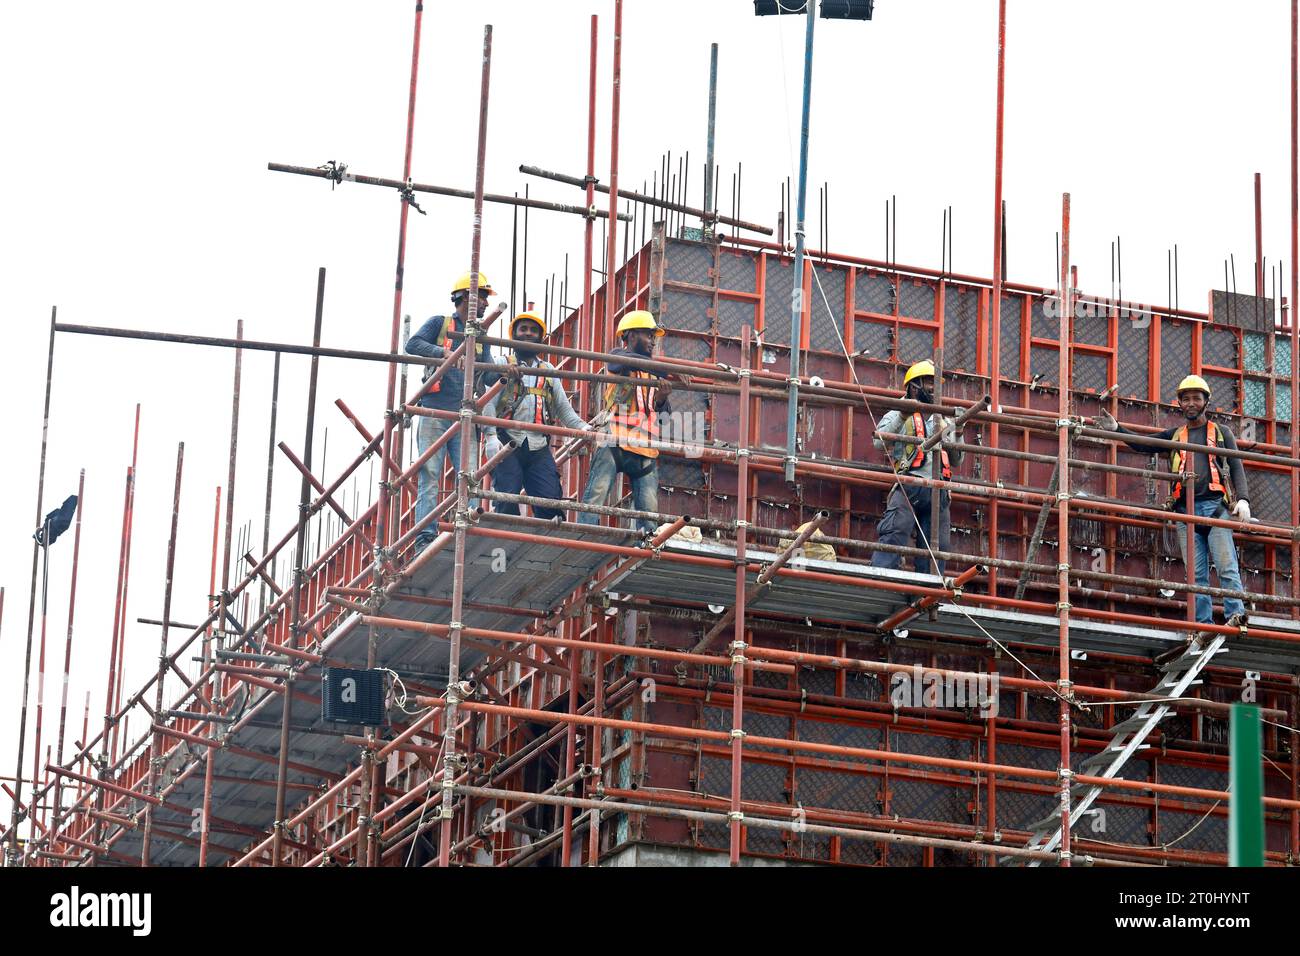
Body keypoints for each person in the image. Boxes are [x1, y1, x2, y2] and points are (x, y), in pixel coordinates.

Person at [1095, 374, 1250, 628]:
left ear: (1206, 402)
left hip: (1215, 510)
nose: (1190, 403)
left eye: (1196, 399)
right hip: (1184, 512)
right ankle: (1204, 624)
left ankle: (1237, 615)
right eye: (1185, 399)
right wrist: (1117, 430)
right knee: (1196, 575)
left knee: (1226, 566)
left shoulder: (1222, 433)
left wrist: (1242, 499)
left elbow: (1235, 465)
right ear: (1179, 403)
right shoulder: (1175, 436)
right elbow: (1145, 444)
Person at [405, 272, 504, 548]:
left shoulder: (480, 335)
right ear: (465, 297)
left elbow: (485, 377)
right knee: (430, 478)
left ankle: (468, 534)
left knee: (469, 478)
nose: (485, 303)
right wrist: (443, 354)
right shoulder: (441, 323)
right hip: (434, 413)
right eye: (482, 296)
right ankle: (425, 539)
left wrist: (504, 372)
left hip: (463, 416)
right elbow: (412, 344)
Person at [482, 311, 591, 519]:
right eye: (523, 329)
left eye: (533, 331)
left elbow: (563, 409)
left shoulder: (547, 369)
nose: (528, 334)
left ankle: (548, 546)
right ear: (514, 335)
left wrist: (583, 429)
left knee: (549, 502)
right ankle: (510, 543)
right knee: (507, 499)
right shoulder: (501, 362)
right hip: (507, 441)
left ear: (541, 338)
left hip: (538, 445)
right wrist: (490, 436)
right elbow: (488, 401)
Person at [577, 310, 676, 534]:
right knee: (594, 501)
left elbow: (664, 418)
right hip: (614, 443)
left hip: (645, 450)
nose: (652, 341)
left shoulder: (655, 376)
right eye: (647, 335)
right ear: (630, 336)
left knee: (648, 515)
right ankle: (582, 540)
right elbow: (622, 362)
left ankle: (647, 546)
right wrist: (670, 371)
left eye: (653, 337)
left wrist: (661, 399)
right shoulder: (618, 358)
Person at [871, 359, 964, 576]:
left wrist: (957, 432)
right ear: (915, 385)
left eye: (936, 383)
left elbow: (957, 459)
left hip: (938, 490)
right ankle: (882, 577)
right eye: (929, 382)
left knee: (937, 546)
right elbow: (879, 442)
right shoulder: (898, 412)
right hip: (909, 483)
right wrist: (903, 414)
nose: (934, 388)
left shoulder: (946, 418)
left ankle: (927, 591)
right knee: (895, 531)